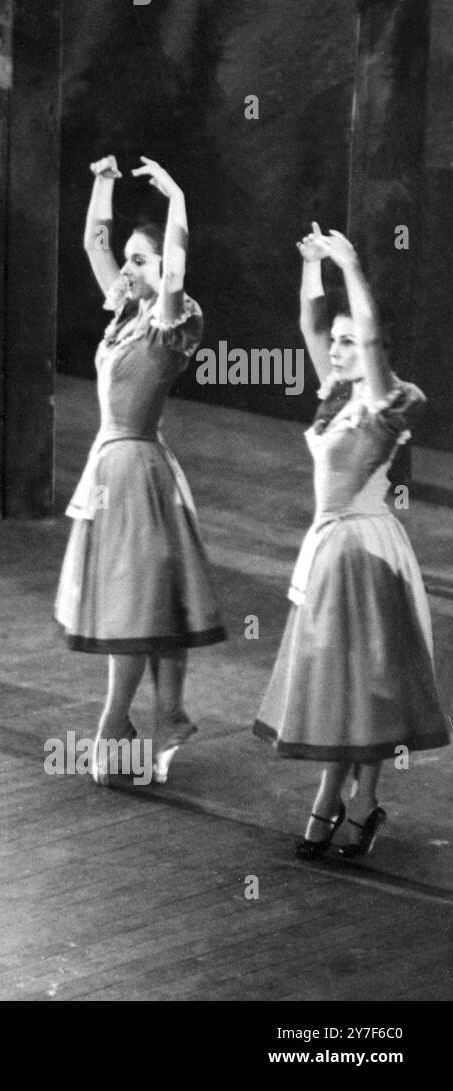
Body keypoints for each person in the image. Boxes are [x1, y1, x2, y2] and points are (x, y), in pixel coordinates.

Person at [253, 225, 450, 858]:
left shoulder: (385, 400)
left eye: (349, 343)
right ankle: (342, 798)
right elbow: (313, 328)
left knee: (370, 682)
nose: (336, 350)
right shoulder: (339, 393)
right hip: (330, 548)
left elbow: (362, 333)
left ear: (374, 350)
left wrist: (353, 265)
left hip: (365, 552)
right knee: (341, 679)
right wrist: (313, 268)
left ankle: (354, 800)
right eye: (335, 342)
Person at [54, 154, 225, 785]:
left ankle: (116, 725)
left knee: (138, 605)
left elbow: (174, 267)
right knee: (146, 603)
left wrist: (178, 195)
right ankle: (164, 715)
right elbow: (93, 243)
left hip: (140, 470)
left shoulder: (171, 321)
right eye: (128, 260)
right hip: (110, 470)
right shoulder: (126, 313)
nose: (127, 268)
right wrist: (101, 183)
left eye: (140, 260)